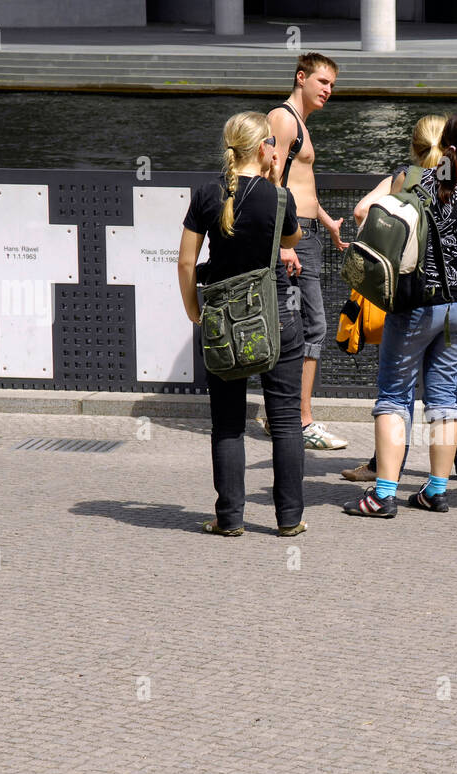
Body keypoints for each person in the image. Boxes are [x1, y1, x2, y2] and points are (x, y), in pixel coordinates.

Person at [343, 113, 457, 518]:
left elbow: (360, 211)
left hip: (416, 304)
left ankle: (383, 495)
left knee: (392, 397)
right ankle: (435, 490)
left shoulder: (411, 179)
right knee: (444, 400)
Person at [178, 111, 306, 536]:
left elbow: (185, 261)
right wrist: (274, 182)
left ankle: (230, 519)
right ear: (264, 148)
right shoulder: (278, 198)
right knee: (285, 420)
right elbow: (290, 241)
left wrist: (193, 309)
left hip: (222, 323)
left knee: (228, 423)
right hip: (275, 319)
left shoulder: (206, 194)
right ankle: (289, 520)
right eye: (272, 143)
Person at [265, 51, 350, 452]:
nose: (328, 91)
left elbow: (300, 186)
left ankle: (280, 412)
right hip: (294, 241)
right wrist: (283, 245)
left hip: (306, 233)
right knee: (312, 327)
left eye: (332, 85)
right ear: (301, 78)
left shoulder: (299, 123)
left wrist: (328, 221)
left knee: (294, 326)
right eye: (322, 82)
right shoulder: (282, 119)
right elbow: (269, 181)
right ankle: (301, 420)